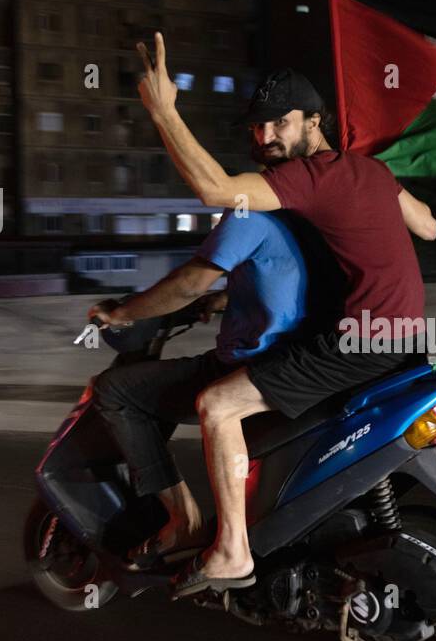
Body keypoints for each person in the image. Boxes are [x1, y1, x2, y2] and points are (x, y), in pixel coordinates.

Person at [128, 33, 436, 599]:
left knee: (216, 405)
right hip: (404, 338)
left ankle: (230, 550)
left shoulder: (312, 179)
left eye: (281, 123)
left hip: (360, 344)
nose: (265, 136)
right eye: (258, 125)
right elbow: (429, 226)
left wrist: (163, 109)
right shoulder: (370, 172)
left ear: (314, 122)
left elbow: (215, 189)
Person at [88, 207, 340, 570]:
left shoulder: (247, 216)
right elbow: (281, 277)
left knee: (114, 390)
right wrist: (223, 299)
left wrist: (121, 313)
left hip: (252, 365)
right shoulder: (304, 218)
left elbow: (187, 284)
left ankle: (183, 522)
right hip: (299, 359)